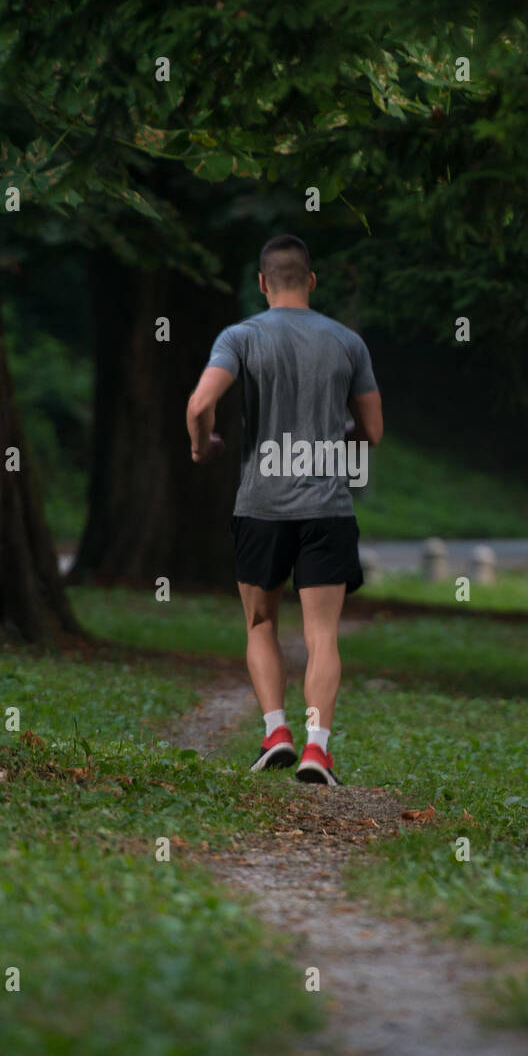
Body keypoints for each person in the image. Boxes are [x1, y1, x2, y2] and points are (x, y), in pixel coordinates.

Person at [185, 234, 383, 786]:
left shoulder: (241, 336)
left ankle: (276, 734)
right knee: (322, 636)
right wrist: (335, 437)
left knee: (261, 621)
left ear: (262, 282)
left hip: (261, 507)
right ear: (312, 282)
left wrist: (204, 445)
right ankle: (317, 747)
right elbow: (371, 431)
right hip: (328, 508)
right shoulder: (348, 342)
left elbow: (201, 404)